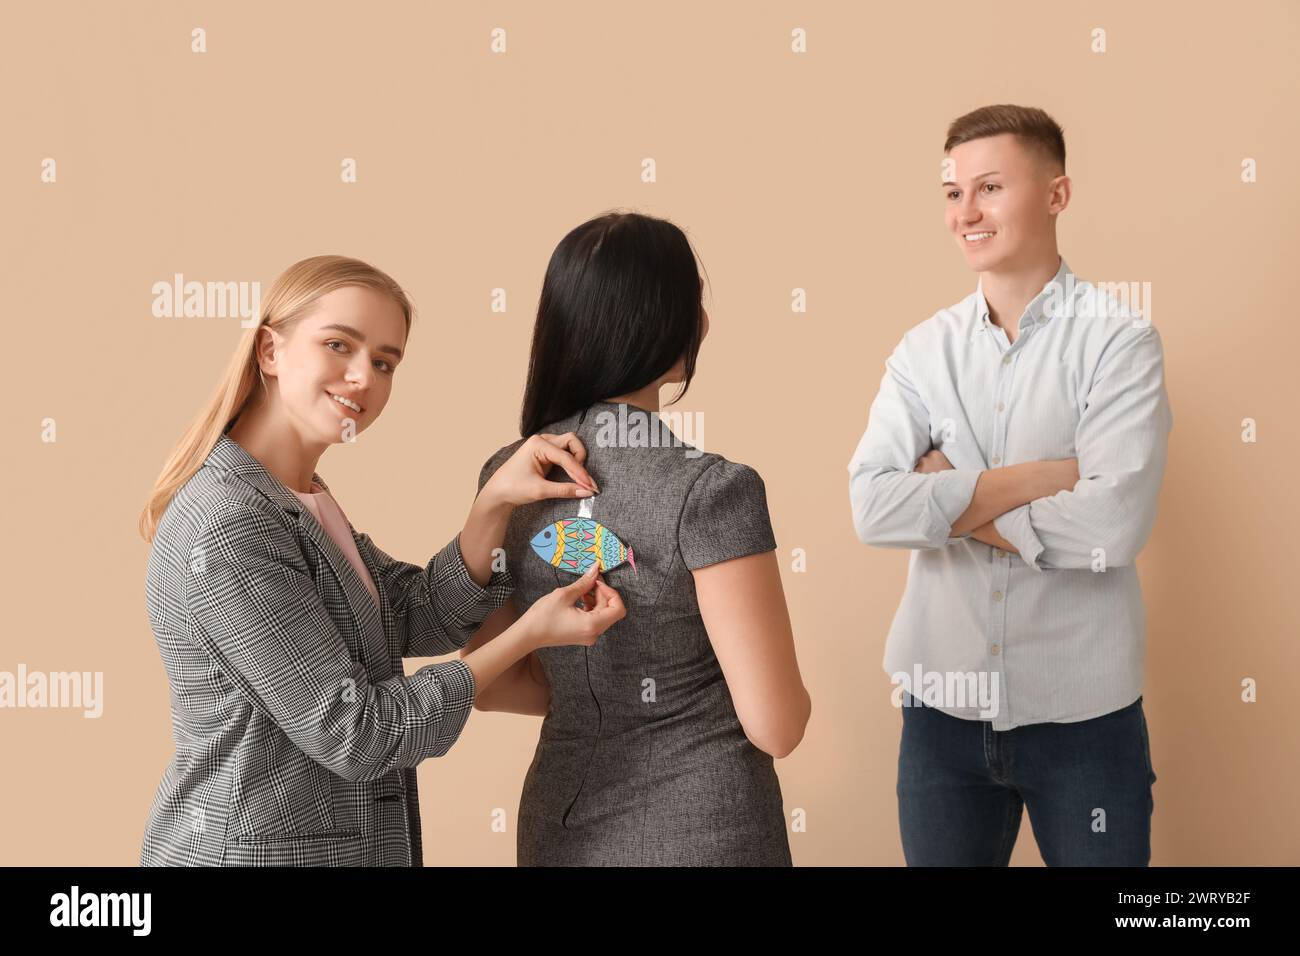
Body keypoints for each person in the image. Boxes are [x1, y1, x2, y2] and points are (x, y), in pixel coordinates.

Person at [138, 254, 624, 866]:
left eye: (384, 362)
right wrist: (526, 637)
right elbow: (359, 732)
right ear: (269, 351)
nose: (363, 376)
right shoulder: (230, 523)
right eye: (339, 344)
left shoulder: (303, 497)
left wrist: (495, 500)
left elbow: (418, 615)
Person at [847, 105, 1172, 866]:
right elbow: (872, 506)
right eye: (952, 192)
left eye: (989, 187)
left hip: (1084, 717)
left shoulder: (1120, 342)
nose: (966, 212)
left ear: (1056, 195)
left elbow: (1111, 526)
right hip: (940, 714)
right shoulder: (922, 352)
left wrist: (953, 498)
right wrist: (1035, 480)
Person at [463, 211, 812, 865]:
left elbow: (492, 683)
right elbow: (778, 725)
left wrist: (595, 700)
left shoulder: (511, 478)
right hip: (707, 833)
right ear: (676, 327)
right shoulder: (714, 491)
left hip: (559, 831)